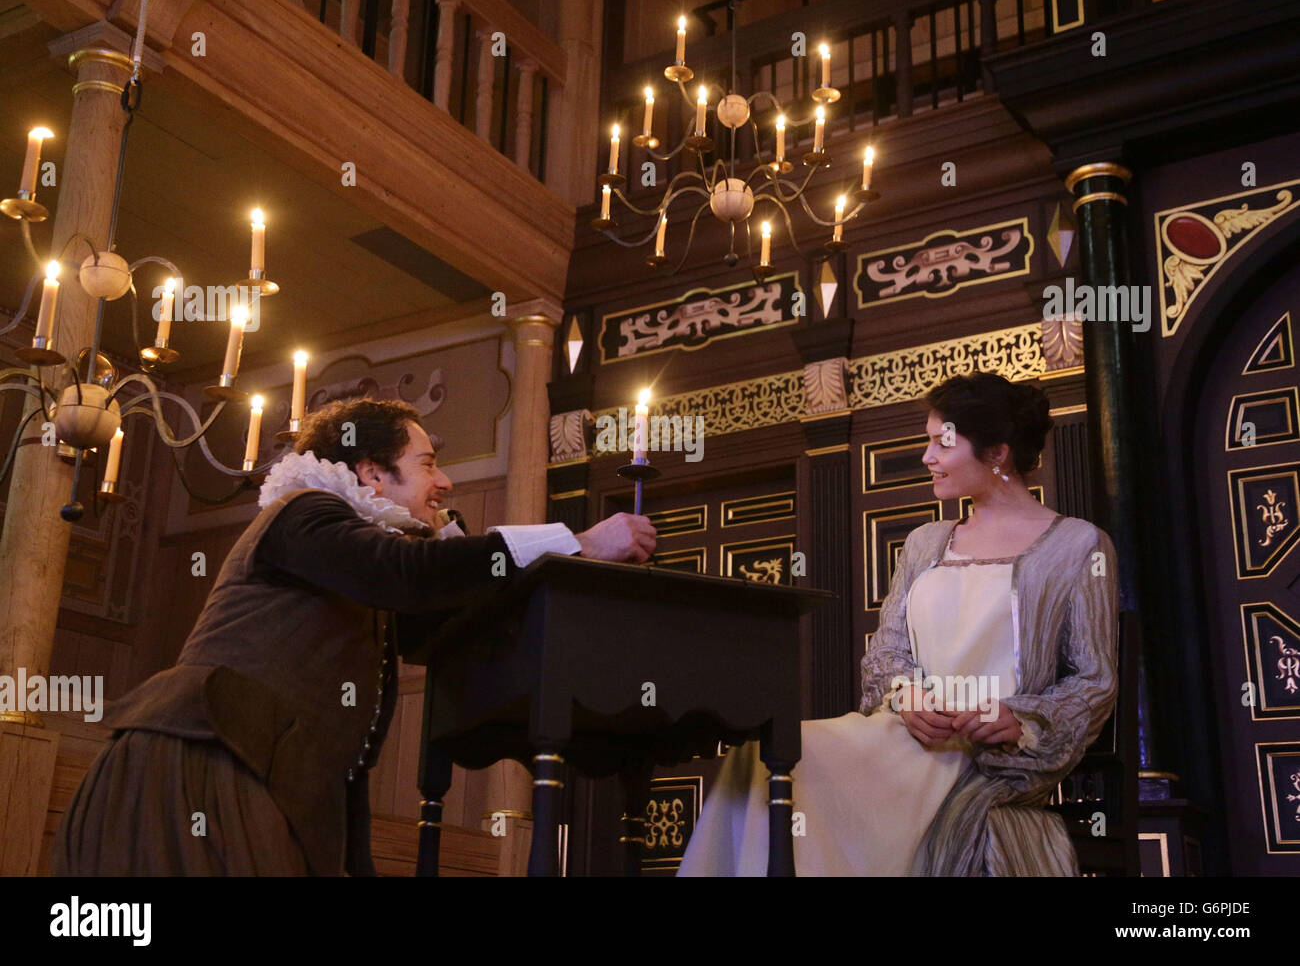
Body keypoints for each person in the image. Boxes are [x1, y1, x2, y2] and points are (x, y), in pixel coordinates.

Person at [53, 397, 656, 875]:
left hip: (275, 781)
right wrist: (576, 541)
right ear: (371, 472)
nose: (444, 481)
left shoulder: (364, 554)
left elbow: (433, 618)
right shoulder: (303, 512)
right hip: (200, 763)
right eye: (427, 463)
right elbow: (406, 575)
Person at [678, 372, 1118, 876]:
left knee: (779, 767)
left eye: (941, 442)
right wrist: (908, 697)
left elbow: (1094, 679)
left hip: (991, 758)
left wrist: (1018, 719)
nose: (927, 456)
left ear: (997, 453)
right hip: (905, 736)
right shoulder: (925, 543)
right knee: (765, 759)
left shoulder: (1079, 546)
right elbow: (886, 654)